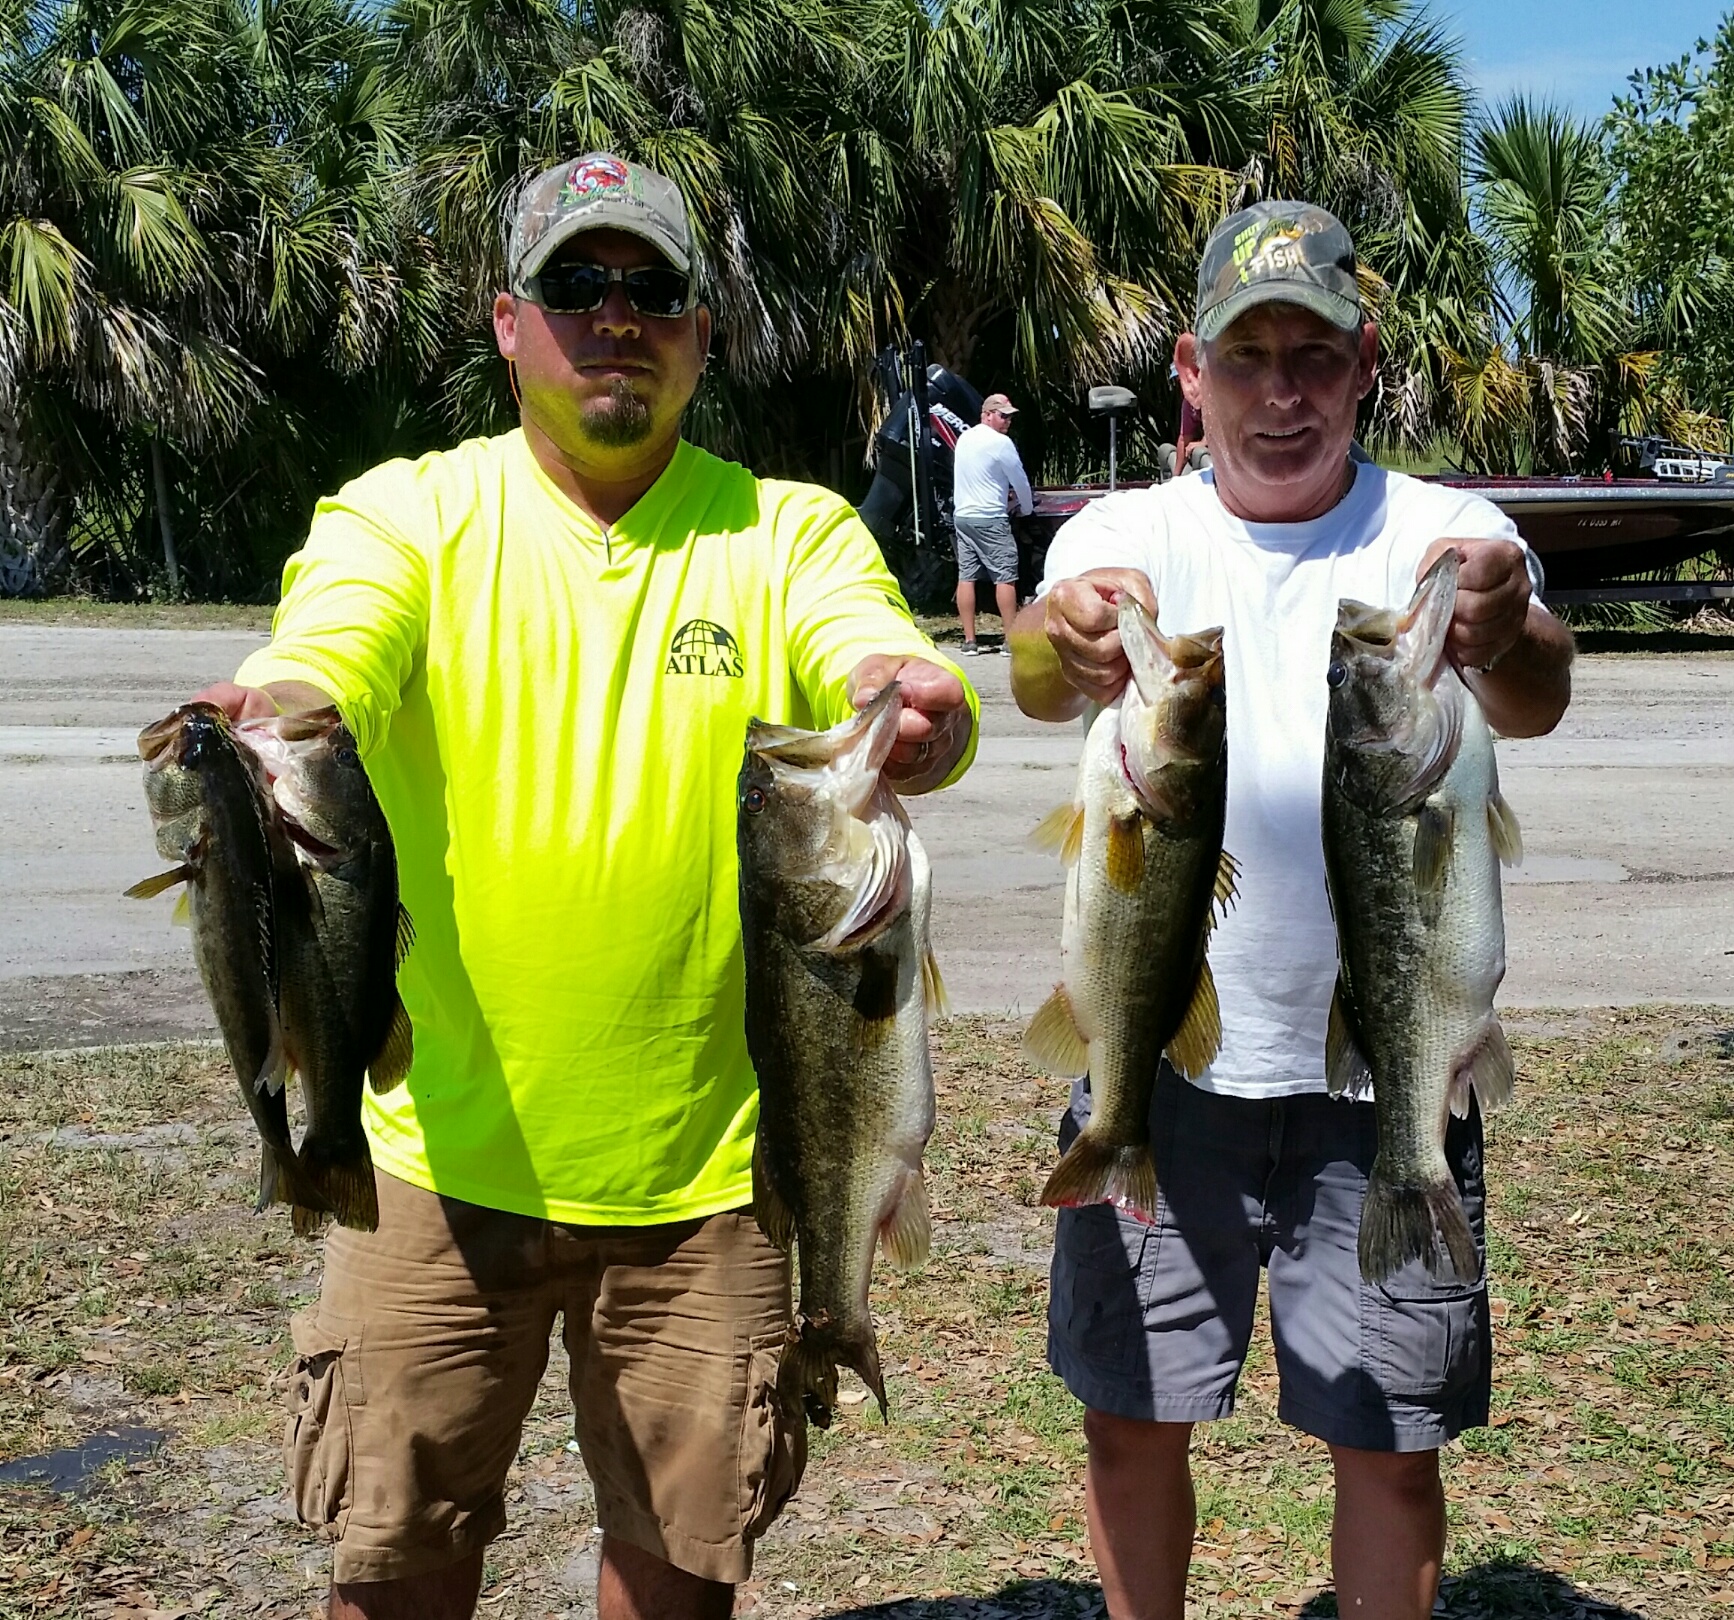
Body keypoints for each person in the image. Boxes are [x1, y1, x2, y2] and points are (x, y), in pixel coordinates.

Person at [191, 152, 978, 1620]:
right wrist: (278, 710)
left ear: (699, 328)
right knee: (393, 1561)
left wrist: (908, 698)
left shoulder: (783, 526)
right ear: (508, 323)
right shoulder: (402, 514)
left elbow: (875, 653)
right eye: (576, 285)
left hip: (715, 1182)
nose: (616, 317)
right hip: (427, 1165)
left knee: (679, 1571)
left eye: (653, 289)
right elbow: (332, 648)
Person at [1008, 200, 1573, 1620]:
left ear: (1363, 363)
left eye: (1310, 356)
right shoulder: (1127, 530)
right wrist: (1050, 634)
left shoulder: (1443, 530)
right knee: (1132, 1422)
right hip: (1161, 1068)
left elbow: (1534, 688)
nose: (1279, 392)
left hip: (1384, 1065)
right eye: (1243, 356)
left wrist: (1504, 625)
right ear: (1188, 377)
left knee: (1387, 1444)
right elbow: (1030, 664)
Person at [951, 391, 1033, 654]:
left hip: (963, 517)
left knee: (967, 576)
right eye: (1002, 416)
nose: (1007, 422)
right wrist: (1027, 509)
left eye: (1009, 417)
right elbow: (1019, 480)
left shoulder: (964, 438)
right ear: (986, 415)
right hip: (990, 518)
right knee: (1005, 576)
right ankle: (1010, 640)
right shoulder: (1001, 444)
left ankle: (969, 641)